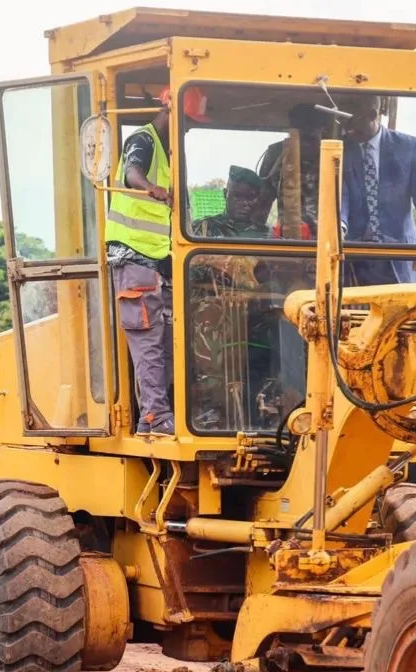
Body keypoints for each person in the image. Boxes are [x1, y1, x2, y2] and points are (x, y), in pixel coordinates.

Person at [105, 86, 210, 437]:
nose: (189, 129)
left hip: (158, 262)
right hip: (134, 258)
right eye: (188, 121)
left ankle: (165, 413)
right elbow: (131, 174)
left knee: (168, 341)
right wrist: (150, 187)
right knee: (149, 340)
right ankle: (154, 417)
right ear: (169, 109)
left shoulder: (168, 151)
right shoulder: (144, 140)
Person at [337, 95, 416, 287]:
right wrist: (338, 228)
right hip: (353, 254)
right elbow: (341, 193)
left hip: (398, 252)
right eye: (342, 119)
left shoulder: (409, 148)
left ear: (372, 115)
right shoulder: (339, 148)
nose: (346, 126)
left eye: (351, 120)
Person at [257, 103, 329, 237]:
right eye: (301, 128)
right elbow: (263, 201)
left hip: (327, 240)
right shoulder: (276, 154)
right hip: (289, 239)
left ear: (323, 128)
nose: (307, 131)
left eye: (313, 127)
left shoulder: (332, 155)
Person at [191, 166, 271, 238]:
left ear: (258, 198)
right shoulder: (203, 228)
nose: (244, 203)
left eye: (250, 197)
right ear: (225, 194)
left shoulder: (266, 235)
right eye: (237, 196)